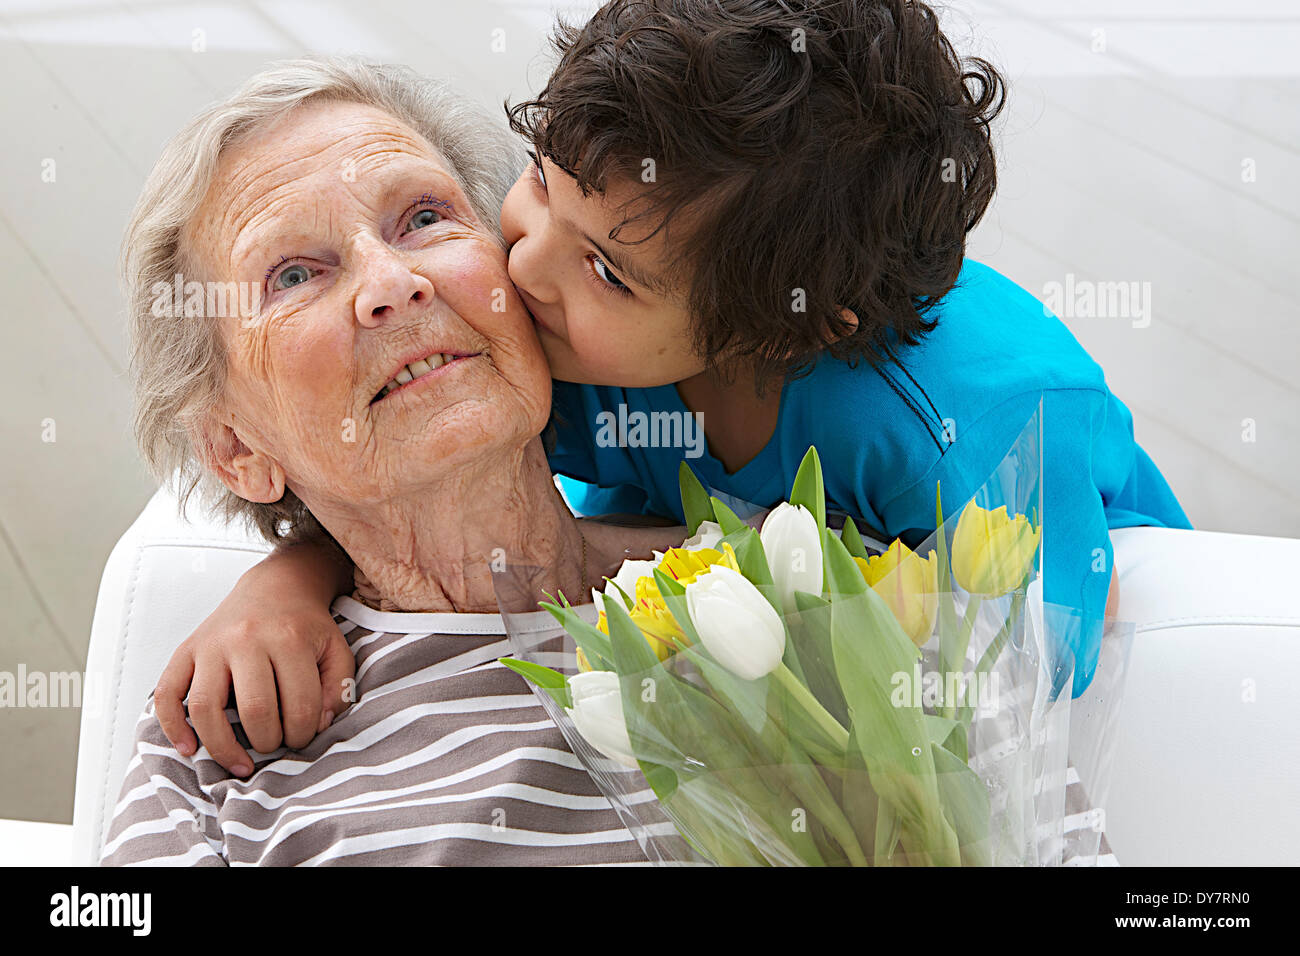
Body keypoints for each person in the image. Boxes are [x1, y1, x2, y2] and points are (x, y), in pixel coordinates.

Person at [157, 0, 1191, 775]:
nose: (523, 271)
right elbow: (416, 469)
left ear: (776, 326)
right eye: (539, 184)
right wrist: (285, 581)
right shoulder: (585, 343)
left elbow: (1028, 660)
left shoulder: (964, 413)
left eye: (606, 268)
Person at [102, 57, 687, 865]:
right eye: (294, 275)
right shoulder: (217, 751)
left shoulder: (793, 576)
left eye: (422, 219)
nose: (394, 282)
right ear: (237, 448)